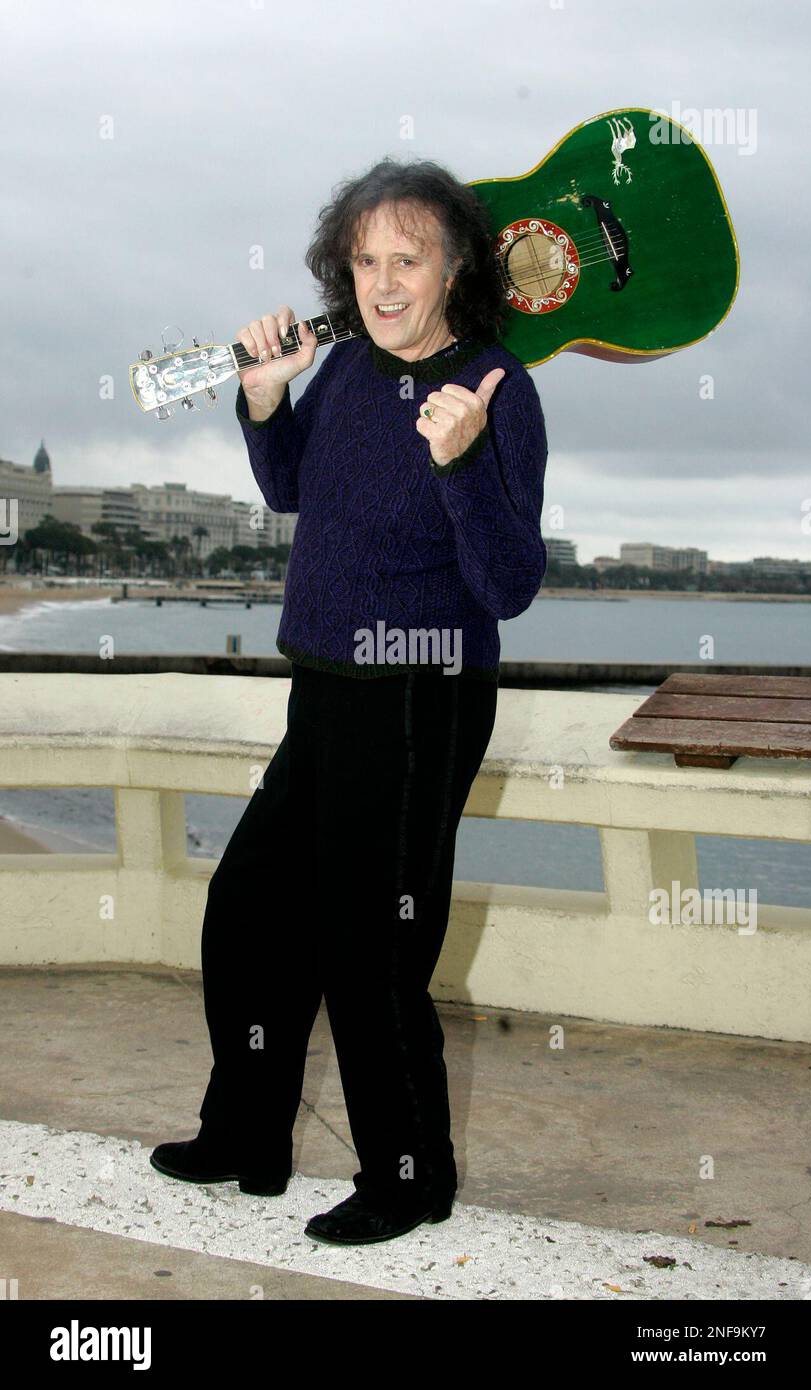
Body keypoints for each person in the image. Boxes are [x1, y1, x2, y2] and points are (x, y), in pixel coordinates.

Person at [150, 157, 548, 1245]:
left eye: (405, 259)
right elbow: (291, 487)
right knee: (249, 916)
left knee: (372, 950)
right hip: (324, 687)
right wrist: (266, 396)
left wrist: (464, 462)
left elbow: (508, 584)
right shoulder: (352, 373)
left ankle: (410, 1173)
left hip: (421, 698)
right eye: (364, 259)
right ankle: (249, 1133)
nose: (381, 282)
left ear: (456, 266)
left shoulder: (496, 387)